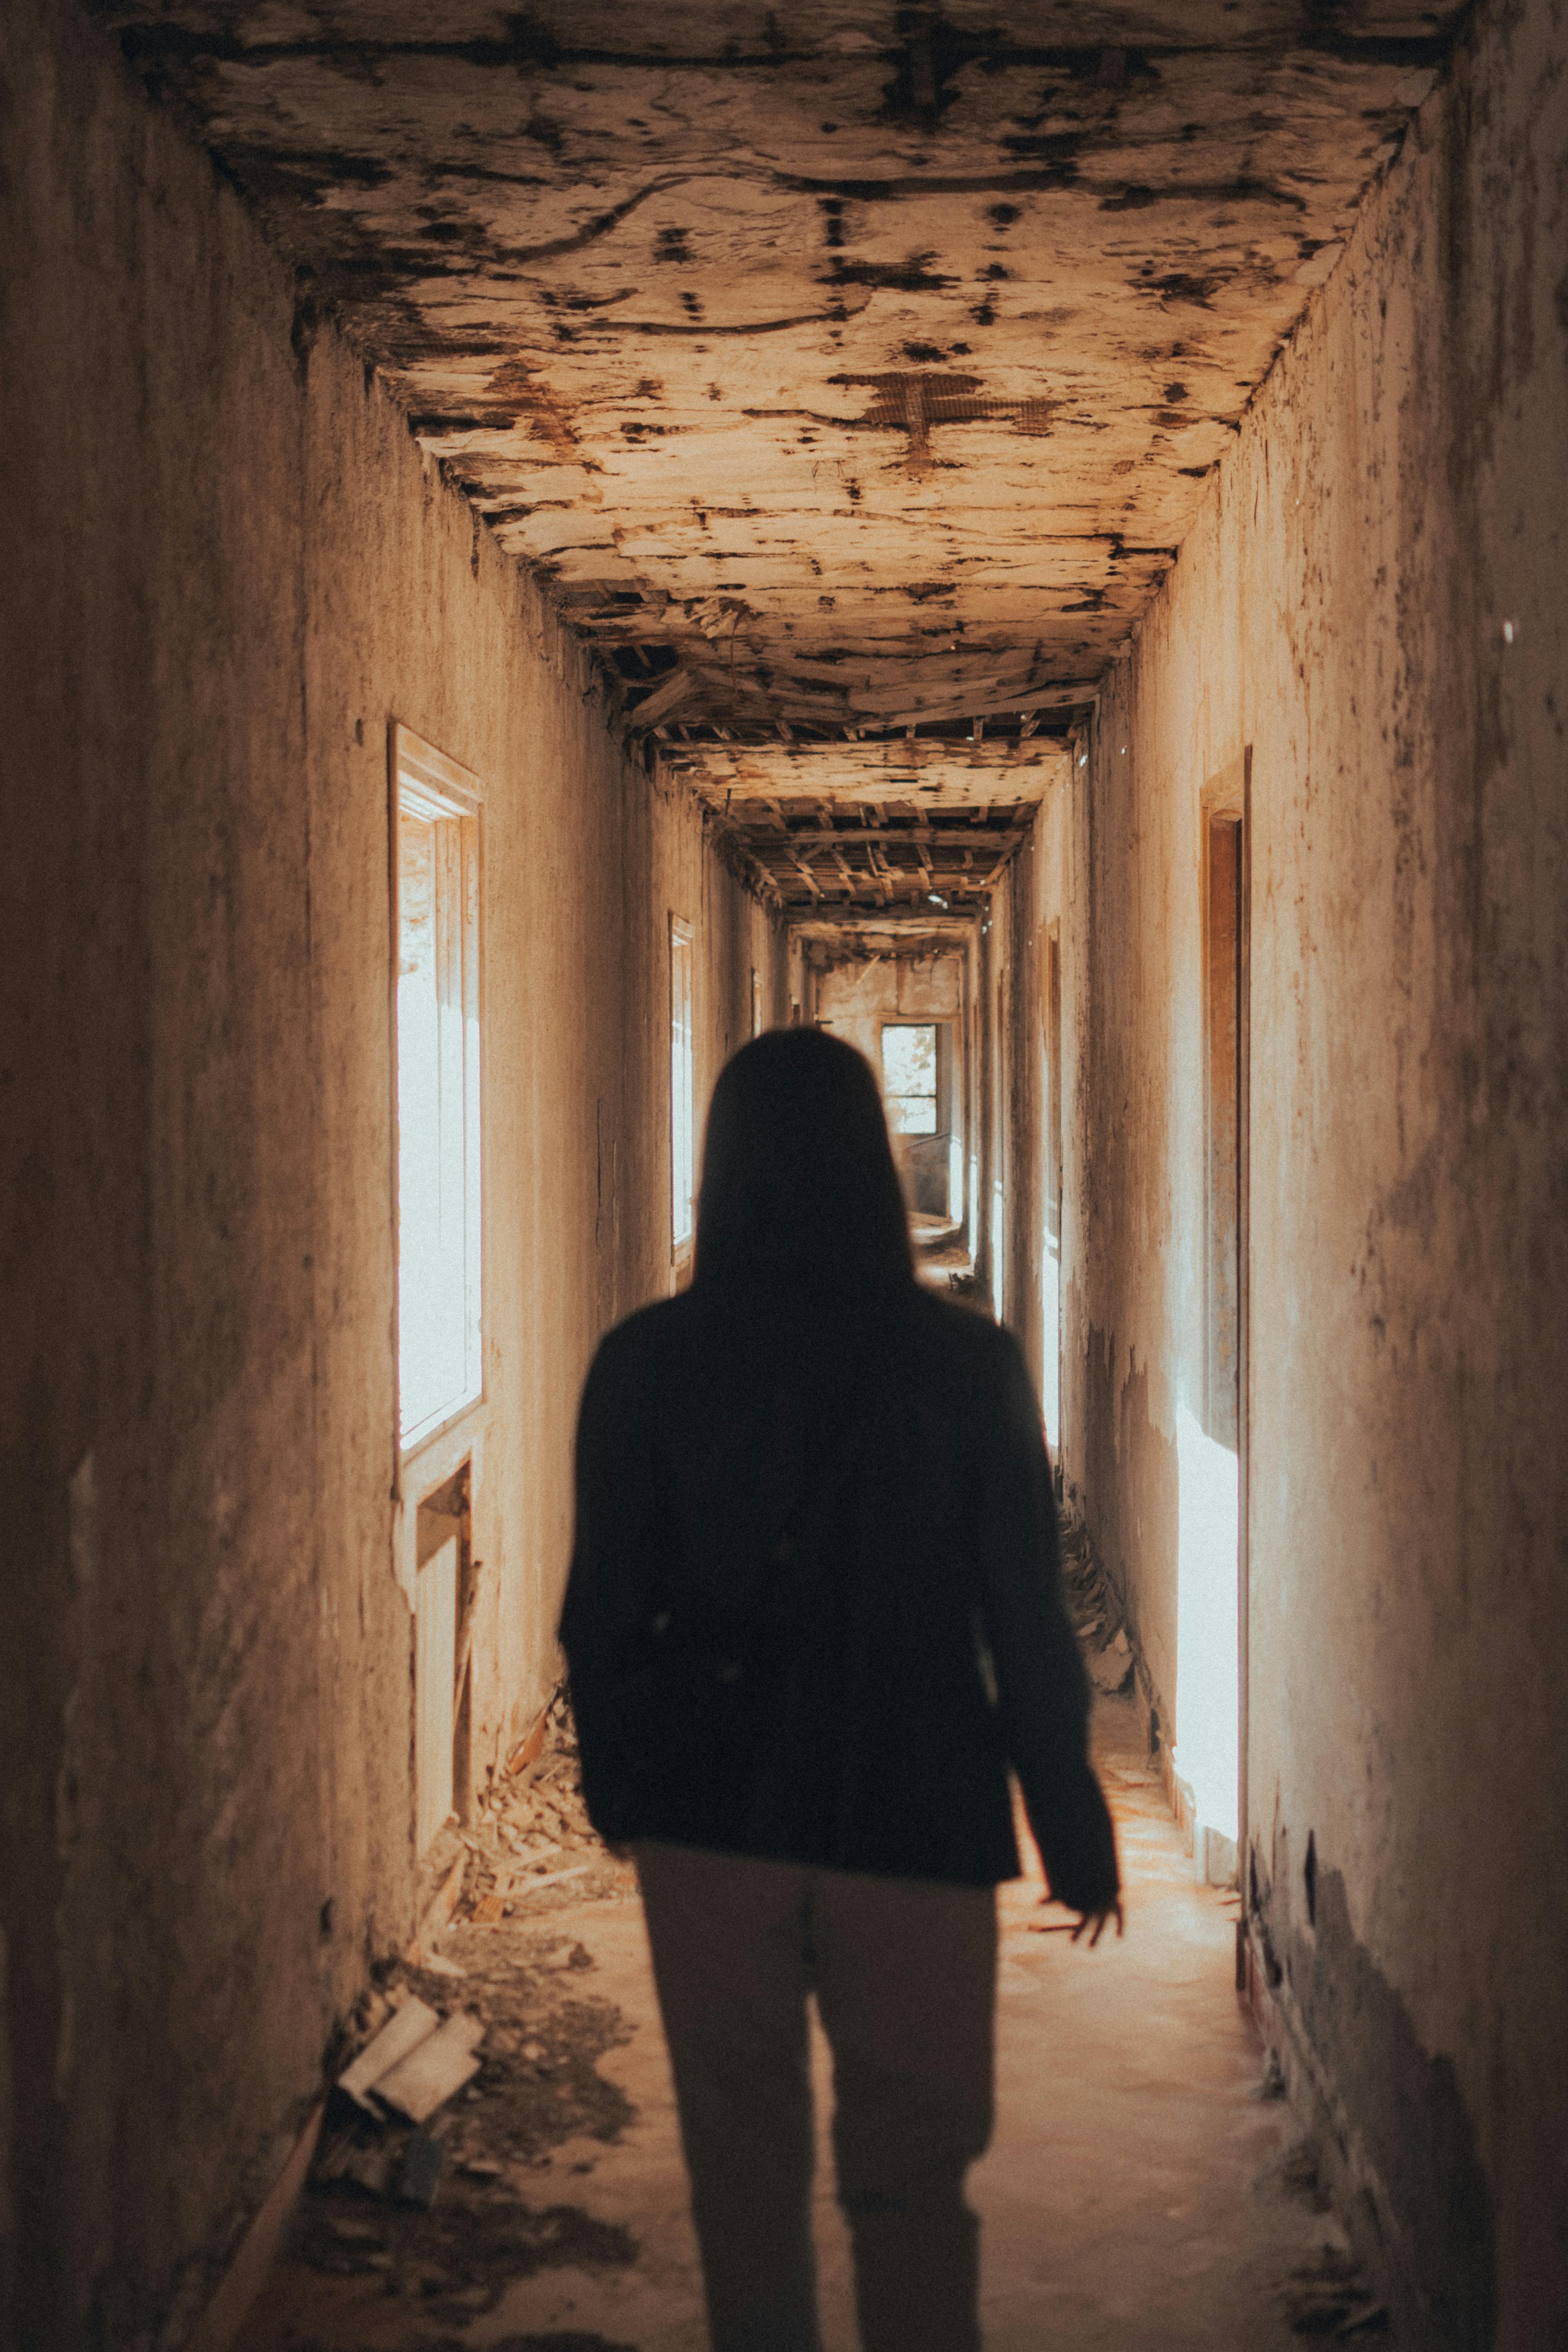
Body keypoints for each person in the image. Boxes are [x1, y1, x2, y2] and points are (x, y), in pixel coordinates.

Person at [559, 1028, 1120, 2352]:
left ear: (720, 1168)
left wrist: (624, 1788)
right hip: (915, 1813)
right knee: (917, 2188)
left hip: (714, 1813)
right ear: (877, 1167)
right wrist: (1069, 1814)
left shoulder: (645, 1363)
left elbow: (601, 1617)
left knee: (744, 2191)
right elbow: (1025, 1622)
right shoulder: (965, 1368)